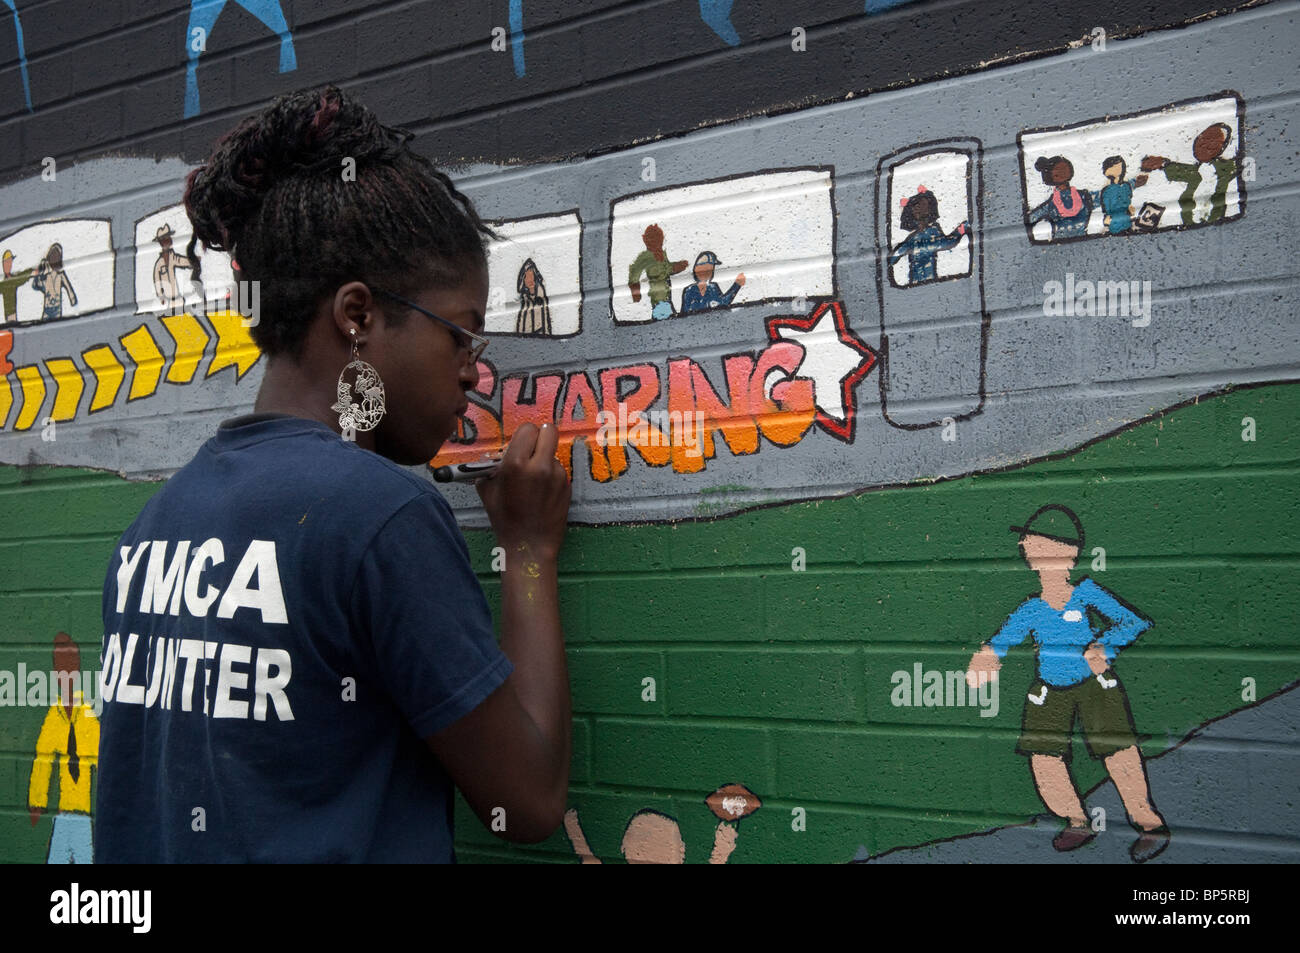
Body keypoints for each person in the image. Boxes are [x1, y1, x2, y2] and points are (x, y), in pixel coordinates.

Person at [95, 85, 573, 862]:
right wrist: (527, 552)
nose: (474, 375)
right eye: (463, 335)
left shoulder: (151, 530)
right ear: (357, 314)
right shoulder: (384, 518)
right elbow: (526, 803)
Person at [966, 504, 1170, 863]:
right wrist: (987, 656)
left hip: (1095, 684)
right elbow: (1004, 637)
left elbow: (1132, 622)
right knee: (1044, 758)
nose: (1029, 550)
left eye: (1037, 543)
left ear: (1068, 554)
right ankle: (1077, 820)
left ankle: (1149, 825)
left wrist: (1105, 646)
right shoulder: (1031, 608)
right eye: (1029, 545)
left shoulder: (1087, 593)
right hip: (1049, 689)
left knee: (1119, 751)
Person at [1141, 122, 1241, 227]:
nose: (1204, 146)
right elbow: (1177, 170)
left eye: (1213, 144)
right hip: (1189, 220)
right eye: (1202, 140)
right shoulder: (1195, 170)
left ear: (1221, 148)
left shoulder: (1225, 168)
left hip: (1213, 221)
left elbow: (1247, 167)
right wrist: (1161, 163)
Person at [887, 186, 968, 284]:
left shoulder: (914, 238)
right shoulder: (931, 232)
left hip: (918, 281)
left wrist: (890, 260)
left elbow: (896, 254)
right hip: (928, 280)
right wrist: (959, 232)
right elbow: (947, 242)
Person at [627, 224, 687, 320]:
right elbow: (634, 271)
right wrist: (636, 292)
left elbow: (667, 269)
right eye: (655, 239)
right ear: (646, 240)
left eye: (660, 238)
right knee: (666, 319)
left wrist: (678, 266)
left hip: (665, 297)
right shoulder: (646, 256)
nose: (660, 241)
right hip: (659, 298)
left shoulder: (661, 254)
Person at [1027, 156, 1093, 240]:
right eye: (1057, 171)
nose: (1063, 172)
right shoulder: (1051, 203)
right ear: (1050, 176)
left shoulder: (1084, 195)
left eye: (1065, 168)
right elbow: (1032, 218)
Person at [1090, 156, 1148, 235]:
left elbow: (1128, 199)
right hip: (1114, 221)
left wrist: (1130, 210)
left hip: (1127, 219)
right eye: (1114, 167)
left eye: (1119, 166)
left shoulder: (1126, 185)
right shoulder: (1107, 190)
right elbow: (1106, 207)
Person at [680, 250, 745, 313]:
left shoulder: (713, 287)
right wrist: (737, 285)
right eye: (709, 268)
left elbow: (723, 303)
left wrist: (737, 285)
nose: (711, 271)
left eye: (711, 268)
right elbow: (685, 314)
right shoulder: (689, 290)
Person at [152, 224, 194, 312]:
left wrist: (192, 261)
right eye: (166, 239)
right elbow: (157, 281)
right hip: (168, 300)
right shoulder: (159, 263)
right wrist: (161, 296)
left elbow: (180, 260)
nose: (170, 240)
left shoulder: (171, 257)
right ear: (162, 242)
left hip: (177, 298)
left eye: (169, 238)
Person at [31, 242, 77, 320]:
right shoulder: (46, 274)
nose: (55, 259)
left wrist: (73, 300)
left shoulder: (60, 275)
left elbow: (68, 287)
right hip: (47, 308)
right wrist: (39, 274)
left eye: (57, 257)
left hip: (57, 309)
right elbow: (36, 286)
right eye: (53, 256)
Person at [515, 257, 551, 334]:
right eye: (527, 277)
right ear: (523, 281)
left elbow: (546, 321)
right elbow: (521, 327)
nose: (530, 280)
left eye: (532, 276)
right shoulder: (525, 301)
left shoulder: (541, 297)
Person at [1, 249, 34, 323]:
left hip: (12, 316)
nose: (8, 265)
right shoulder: (5, 283)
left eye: (10, 262)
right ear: (3, 264)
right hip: (10, 316)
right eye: (6, 262)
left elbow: (22, 277)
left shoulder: (13, 280)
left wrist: (32, 272)